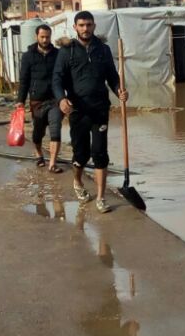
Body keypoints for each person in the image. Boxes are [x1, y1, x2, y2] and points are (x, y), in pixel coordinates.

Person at [53, 11, 127, 213]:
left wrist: (119, 90)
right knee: (81, 153)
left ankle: (101, 198)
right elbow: (57, 79)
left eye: (89, 25)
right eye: (81, 25)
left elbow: (112, 76)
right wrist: (61, 99)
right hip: (78, 110)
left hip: (100, 108)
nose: (85, 29)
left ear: (94, 26)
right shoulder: (66, 51)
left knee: (100, 153)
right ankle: (77, 181)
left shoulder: (102, 49)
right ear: (75, 27)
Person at [17, 23, 63, 172]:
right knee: (38, 133)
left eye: (47, 37)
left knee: (55, 129)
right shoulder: (28, 56)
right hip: (37, 101)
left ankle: (53, 163)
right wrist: (20, 101)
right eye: (42, 37)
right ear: (36, 36)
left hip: (55, 100)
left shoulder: (58, 54)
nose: (45, 40)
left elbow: (64, 75)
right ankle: (38, 153)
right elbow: (24, 80)